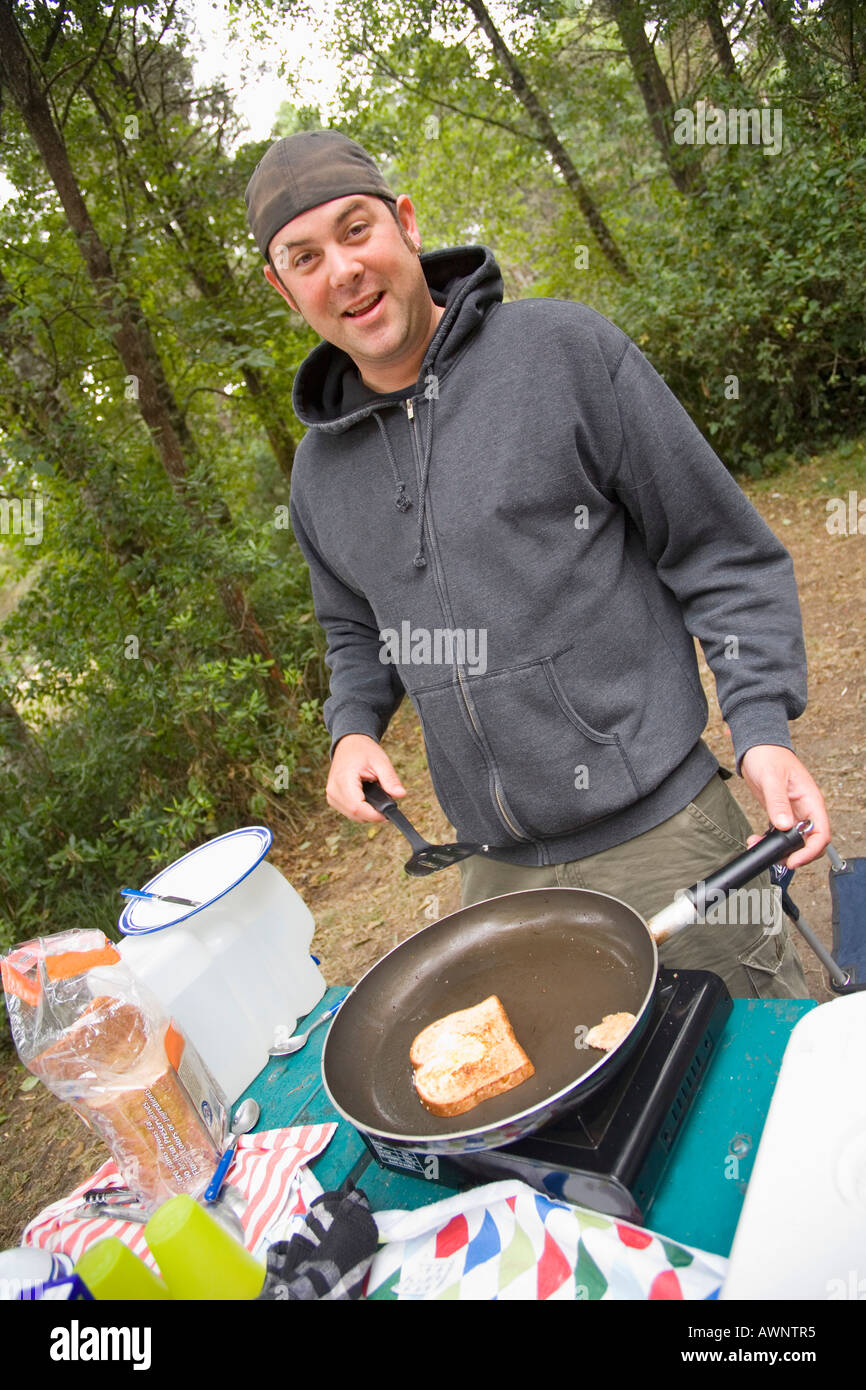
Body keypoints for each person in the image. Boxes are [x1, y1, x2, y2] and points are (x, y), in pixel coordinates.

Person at [244, 130, 831, 998]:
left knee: (765, 1090)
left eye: (357, 229)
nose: (343, 270)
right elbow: (353, 630)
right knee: (566, 1116)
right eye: (305, 256)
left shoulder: (562, 353)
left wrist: (762, 728)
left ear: (405, 224)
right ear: (283, 286)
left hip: (666, 836)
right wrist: (354, 724)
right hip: (498, 877)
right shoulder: (318, 479)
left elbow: (719, 550)